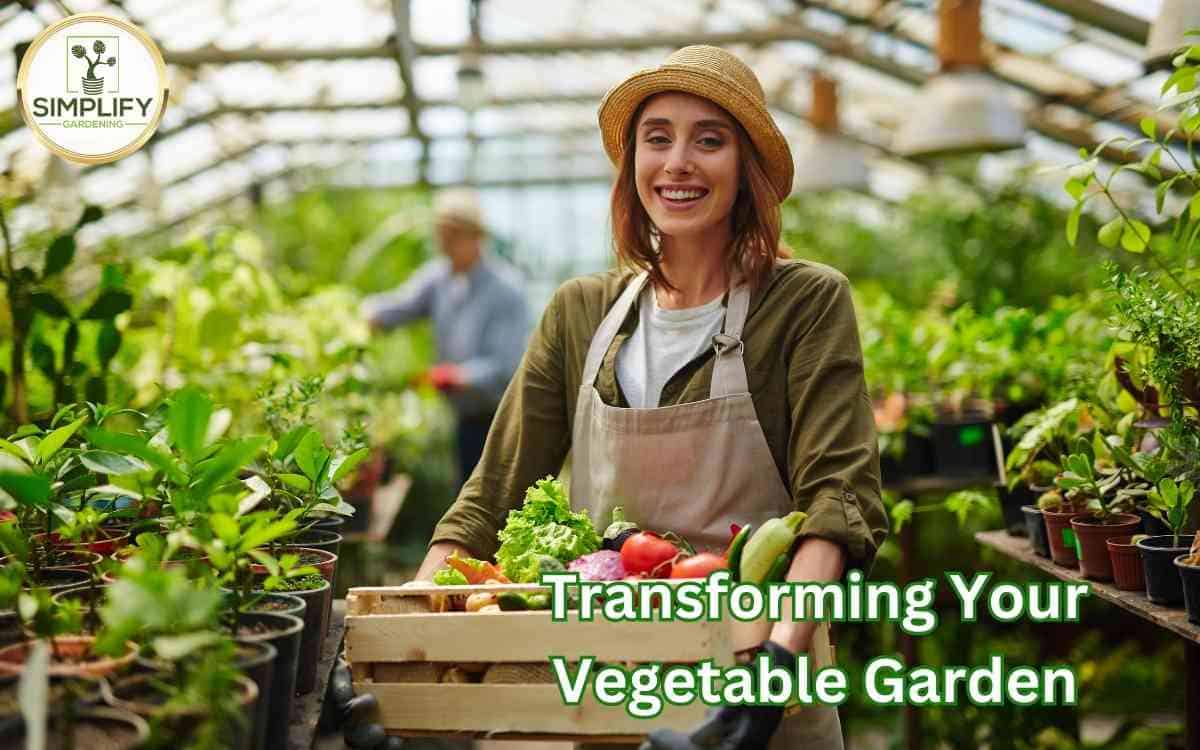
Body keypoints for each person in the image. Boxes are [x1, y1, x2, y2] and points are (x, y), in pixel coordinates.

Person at [335, 45, 887, 750]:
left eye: (708, 140)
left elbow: (838, 500)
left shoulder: (804, 303)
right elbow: (490, 497)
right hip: (598, 691)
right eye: (657, 138)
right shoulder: (581, 312)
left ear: (745, 167)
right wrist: (399, 645)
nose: (677, 162)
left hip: (754, 687)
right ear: (632, 165)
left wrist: (773, 672)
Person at [361, 188, 531, 487]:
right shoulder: (439, 278)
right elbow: (402, 306)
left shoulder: (507, 289)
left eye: (452, 236)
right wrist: (361, 314)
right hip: (463, 415)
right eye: (441, 236)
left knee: (495, 493)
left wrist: (458, 376)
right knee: (466, 489)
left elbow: (506, 364)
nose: (444, 245)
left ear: (476, 236)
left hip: (499, 418)